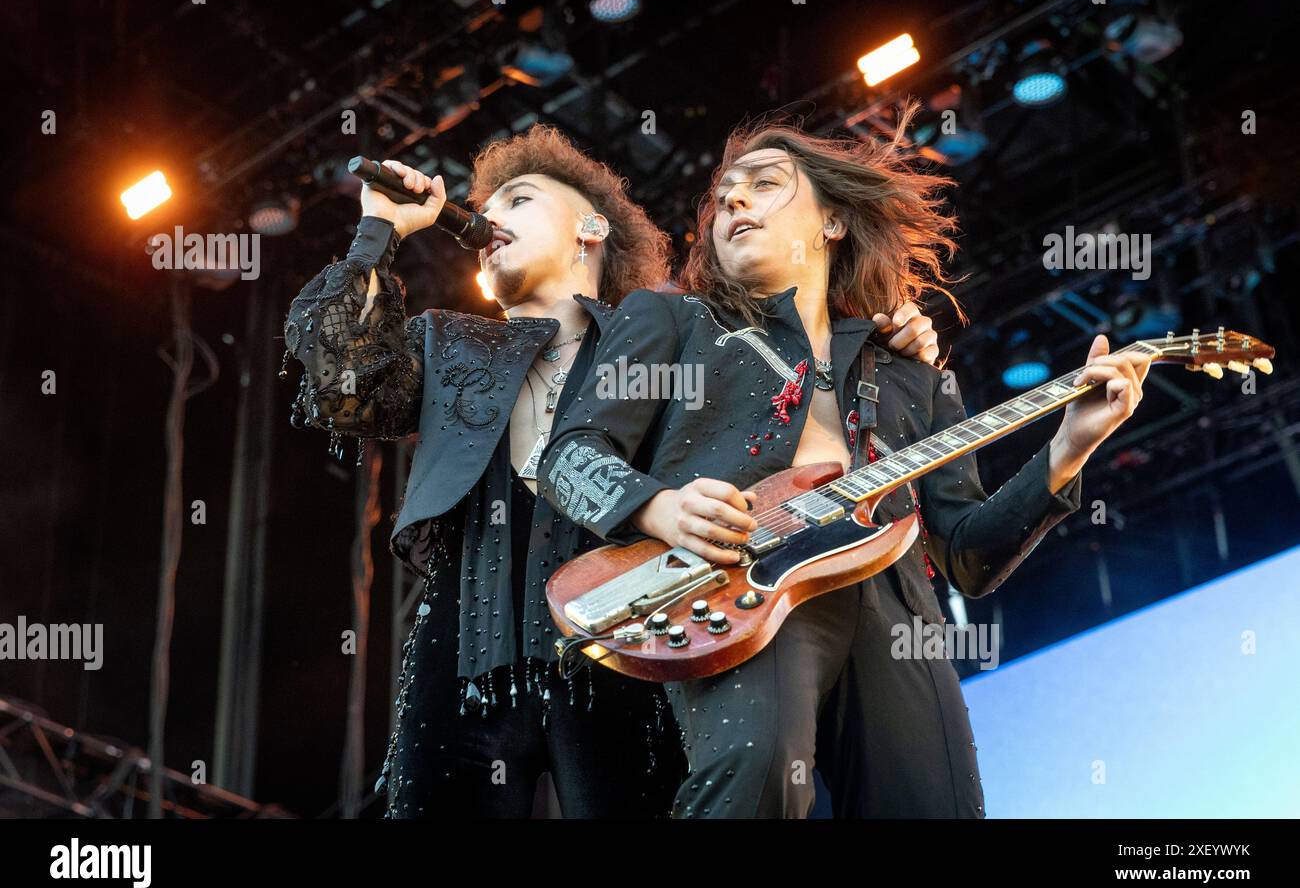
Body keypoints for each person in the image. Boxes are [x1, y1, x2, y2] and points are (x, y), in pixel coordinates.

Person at [282, 121, 948, 817]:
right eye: (487, 208)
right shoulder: (451, 343)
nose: (491, 219)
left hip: (632, 650)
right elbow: (343, 383)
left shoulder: (682, 337)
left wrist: (886, 339)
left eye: (519, 199)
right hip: (463, 655)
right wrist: (380, 228)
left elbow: (786, 380)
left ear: (591, 227)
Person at [538, 108, 1151, 818]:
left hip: (895, 607)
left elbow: (969, 556)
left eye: (764, 184)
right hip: (739, 583)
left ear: (832, 221)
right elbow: (570, 457)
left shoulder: (912, 372)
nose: (733, 200)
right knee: (758, 774)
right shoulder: (672, 320)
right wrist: (661, 509)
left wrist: (1070, 446)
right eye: (723, 195)